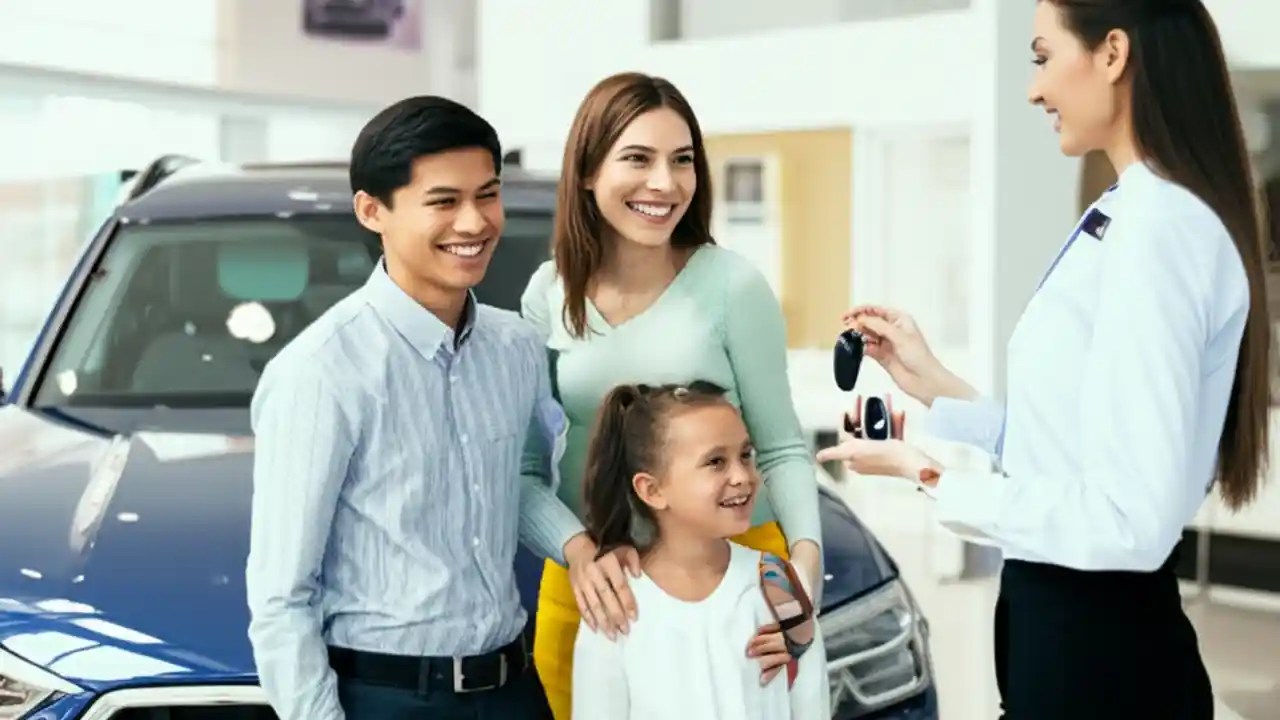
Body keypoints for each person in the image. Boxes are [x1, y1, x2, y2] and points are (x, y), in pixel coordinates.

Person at [818, 1, 1269, 718]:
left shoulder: (1158, 229)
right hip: (1075, 637)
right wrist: (931, 384)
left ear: (1113, 53)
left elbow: (1126, 519)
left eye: (1041, 57)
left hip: (1098, 655)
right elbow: (1079, 449)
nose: (1033, 89)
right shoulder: (1139, 212)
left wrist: (926, 475)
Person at [246, 95, 636, 720]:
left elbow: (512, 484)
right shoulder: (319, 371)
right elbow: (280, 598)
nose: (475, 222)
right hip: (388, 700)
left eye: (487, 194)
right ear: (373, 211)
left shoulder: (515, 348)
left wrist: (578, 546)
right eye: (444, 201)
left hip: (513, 690)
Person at [519, 71, 826, 719]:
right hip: (599, 588)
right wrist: (578, 552)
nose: (665, 183)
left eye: (682, 160)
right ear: (586, 171)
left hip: (732, 570)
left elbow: (780, 446)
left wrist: (803, 574)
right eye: (638, 158)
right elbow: (522, 473)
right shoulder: (545, 296)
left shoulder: (732, 286)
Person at [571, 381, 826, 719]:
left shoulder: (780, 586)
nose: (742, 476)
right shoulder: (615, 606)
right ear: (652, 490)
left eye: (746, 455)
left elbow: (812, 707)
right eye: (716, 462)